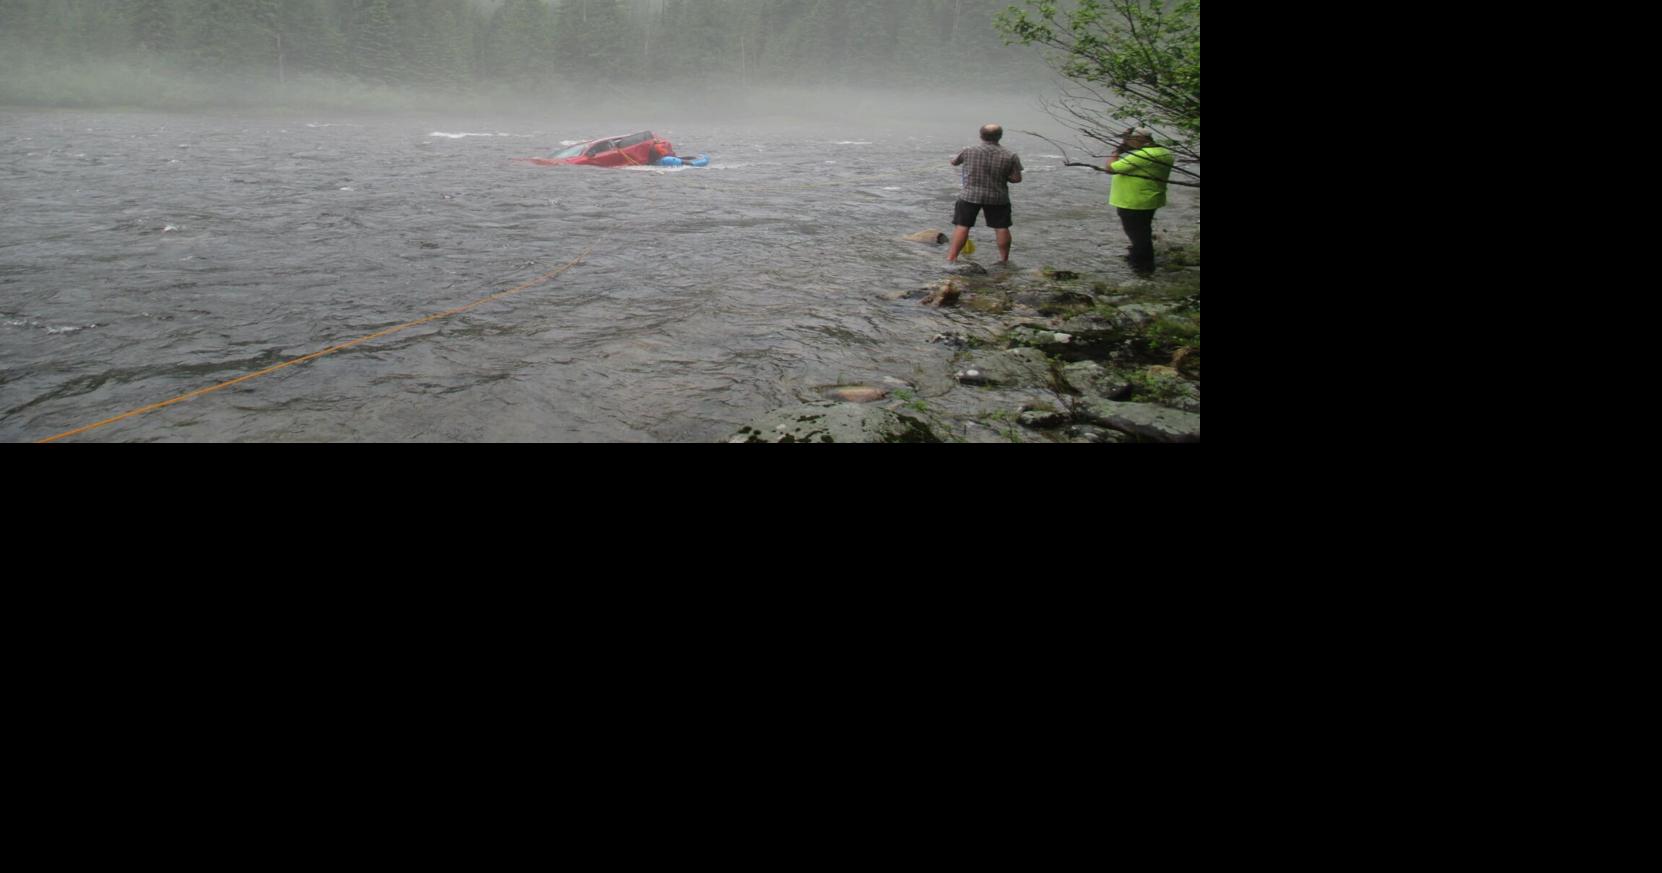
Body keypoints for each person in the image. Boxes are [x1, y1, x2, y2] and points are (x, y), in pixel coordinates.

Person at [948, 124, 1024, 268]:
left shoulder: (969, 150)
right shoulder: (1010, 155)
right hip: (998, 197)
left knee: (962, 226)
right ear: (1000, 136)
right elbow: (1017, 179)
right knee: (1001, 227)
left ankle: (951, 258)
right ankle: (1004, 260)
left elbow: (954, 162)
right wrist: (1004, 175)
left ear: (981, 136)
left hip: (970, 195)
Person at [1107, 128, 1175, 274]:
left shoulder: (1143, 155)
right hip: (1150, 198)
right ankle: (1141, 259)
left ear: (1139, 139)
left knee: (1136, 234)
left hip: (1133, 201)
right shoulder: (1164, 152)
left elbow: (1110, 168)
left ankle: (1143, 267)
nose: (1125, 142)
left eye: (1128, 139)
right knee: (1143, 231)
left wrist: (1116, 152)